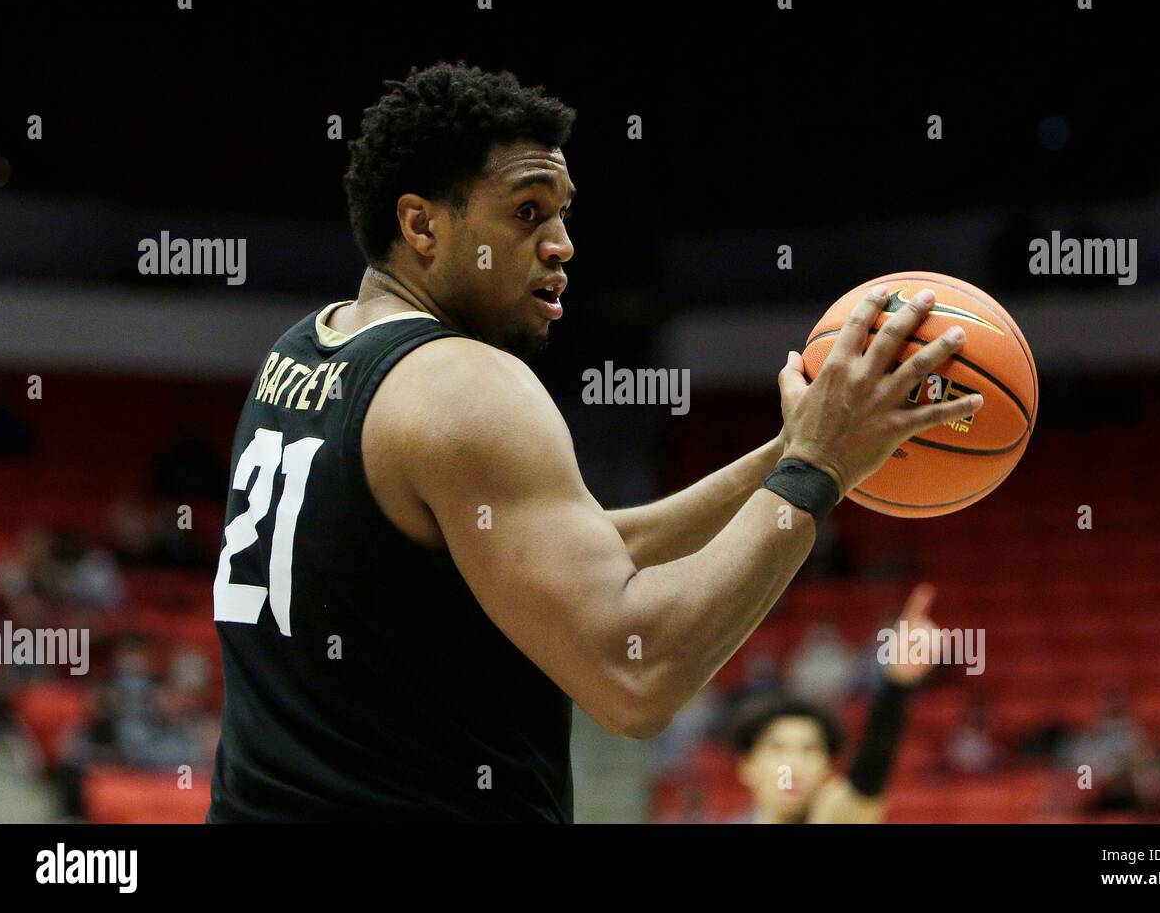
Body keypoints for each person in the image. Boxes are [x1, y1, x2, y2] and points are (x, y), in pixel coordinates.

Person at [207, 62, 981, 822]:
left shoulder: (306, 352)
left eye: (563, 213)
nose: (562, 244)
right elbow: (634, 678)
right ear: (420, 224)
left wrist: (788, 452)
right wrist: (816, 471)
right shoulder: (464, 385)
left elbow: (567, 552)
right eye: (526, 212)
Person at [730, 585, 939, 823]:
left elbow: (868, 775)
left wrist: (898, 684)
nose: (792, 766)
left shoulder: (836, 817)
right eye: (777, 749)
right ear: (746, 766)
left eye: (809, 750)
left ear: (829, 768)